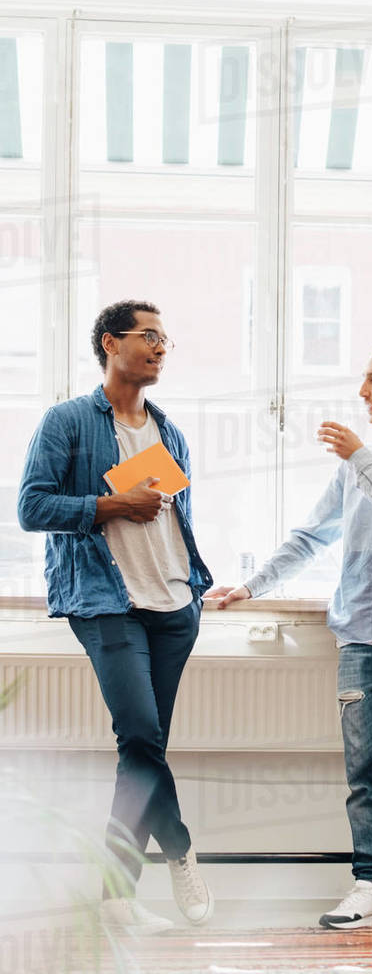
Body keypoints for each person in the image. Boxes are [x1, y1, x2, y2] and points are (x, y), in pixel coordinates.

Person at [207, 343, 372, 931]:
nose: (363, 391)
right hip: (359, 640)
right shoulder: (357, 463)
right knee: (365, 775)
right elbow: (311, 537)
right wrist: (251, 585)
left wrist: (360, 458)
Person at [17, 300, 214, 935]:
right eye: (148, 335)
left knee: (142, 751)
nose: (159, 348)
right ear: (110, 342)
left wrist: (193, 593)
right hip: (107, 603)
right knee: (141, 739)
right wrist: (111, 504)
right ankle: (180, 849)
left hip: (174, 605)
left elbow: (175, 522)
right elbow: (32, 507)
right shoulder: (69, 420)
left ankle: (114, 900)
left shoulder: (169, 431)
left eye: (165, 339)